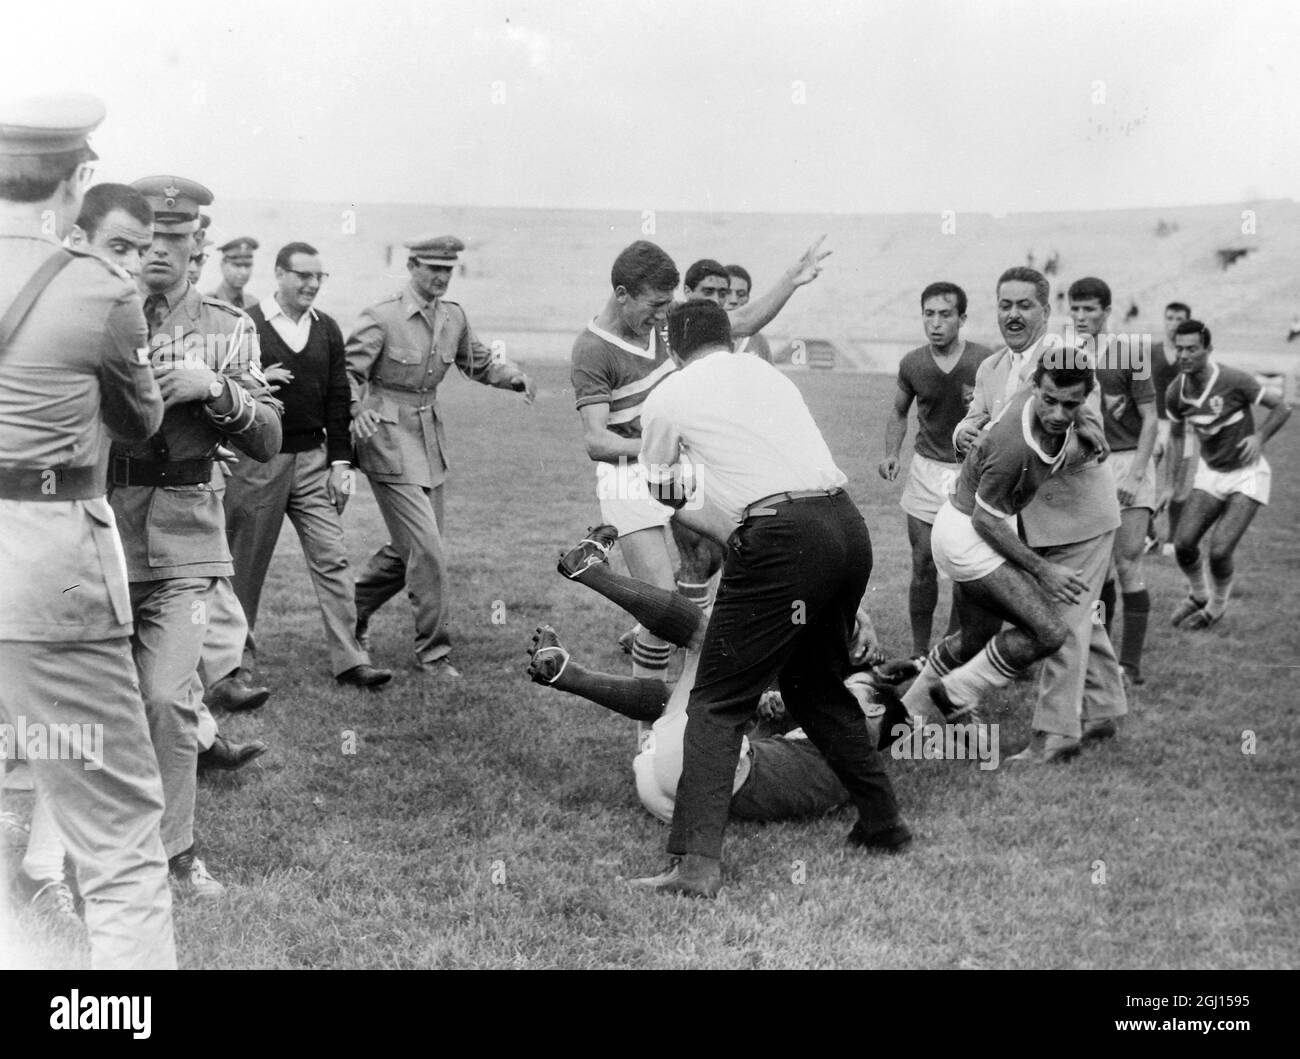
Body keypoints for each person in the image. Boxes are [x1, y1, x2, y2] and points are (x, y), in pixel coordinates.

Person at [628, 300, 909, 899]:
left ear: (672, 348)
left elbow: (657, 485)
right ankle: (883, 821)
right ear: (729, 338)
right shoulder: (767, 373)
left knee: (717, 702)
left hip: (782, 536)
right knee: (813, 686)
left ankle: (696, 866)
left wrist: (730, 529)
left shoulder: (670, 392)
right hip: (846, 525)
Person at [0, 93, 176, 968]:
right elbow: (139, 422)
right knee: (115, 828)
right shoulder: (102, 289)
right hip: (47, 567)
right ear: (77, 181)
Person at [111, 174, 281, 899]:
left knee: (168, 695)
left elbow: (270, 438)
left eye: (175, 237)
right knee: (94, 703)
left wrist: (214, 389)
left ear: (198, 244)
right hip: (99, 533)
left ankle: (177, 855)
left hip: (185, 540)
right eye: (147, 235)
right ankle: (85, 850)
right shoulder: (95, 313)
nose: (159, 250)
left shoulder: (225, 327)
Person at [572, 238, 829, 683]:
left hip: (678, 466)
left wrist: (792, 279)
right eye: (654, 305)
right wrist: (659, 444)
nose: (660, 315)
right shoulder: (592, 350)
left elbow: (744, 320)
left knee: (730, 554)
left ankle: (702, 691)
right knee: (661, 606)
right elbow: (597, 441)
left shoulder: (663, 323)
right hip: (629, 481)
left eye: (666, 305)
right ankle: (649, 728)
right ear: (621, 295)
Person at [948, 267, 1125, 764]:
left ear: (1046, 313)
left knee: (1060, 619)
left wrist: (1038, 454)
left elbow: (1093, 438)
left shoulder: (1067, 360)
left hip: (1078, 517)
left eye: (1025, 305)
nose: (1013, 314)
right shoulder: (990, 368)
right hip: (1024, 520)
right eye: (1005, 304)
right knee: (1081, 611)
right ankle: (1102, 709)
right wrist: (966, 431)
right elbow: (983, 419)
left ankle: (1055, 734)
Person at [347, 234, 535, 679]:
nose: (440, 278)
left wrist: (512, 377)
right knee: (427, 550)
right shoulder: (381, 317)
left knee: (409, 548)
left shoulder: (452, 317)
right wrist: (357, 410)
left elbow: (480, 362)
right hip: (386, 441)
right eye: (433, 268)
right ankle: (433, 654)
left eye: (447, 270)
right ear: (411, 265)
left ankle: (348, 609)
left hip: (428, 440)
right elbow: (348, 374)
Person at [227, 242, 391, 687]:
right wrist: (258, 378)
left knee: (332, 557)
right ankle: (235, 664)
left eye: (319, 277)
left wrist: (342, 464)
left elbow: (339, 399)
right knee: (246, 564)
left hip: (315, 462)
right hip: (259, 460)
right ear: (279, 274)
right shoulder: (246, 325)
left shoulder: (328, 329)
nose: (312, 284)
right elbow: (223, 388)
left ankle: (351, 659)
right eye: (303, 275)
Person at [926, 365, 1098, 720]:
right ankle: (957, 692)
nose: (1057, 414)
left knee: (974, 638)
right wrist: (1043, 570)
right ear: (1035, 388)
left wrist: (1087, 423)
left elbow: (1057, 388)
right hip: (969, 536)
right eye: (1050, 401)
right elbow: (984, 519)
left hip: (968, 526)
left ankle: (908, 709)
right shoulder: (1013, 446)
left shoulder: (1033, 392)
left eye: (1071, 405)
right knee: (1049, 631)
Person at [879, 281, 993, 654]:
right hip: (926, 471)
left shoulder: (984, 361)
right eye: (929, 314)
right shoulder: (913, 363)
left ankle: (952, 646)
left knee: (965, 566)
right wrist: (891, 452)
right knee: (923, 563)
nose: (936, 322)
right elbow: (899, 411)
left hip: (970, 473)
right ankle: (917, 652)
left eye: (945, 314)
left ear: (962, 318)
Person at [1164, 320, 1291, 628]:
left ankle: (1215, 607)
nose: (1184, 355)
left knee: (1220, 550)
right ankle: (1198, 594)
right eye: (1179, 348)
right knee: (1183, 544)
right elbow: (1177, 438)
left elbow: (1283, 407)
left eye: (1192, 348)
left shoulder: (1234, 380)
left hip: (1246, 474)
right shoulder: (1175, 393)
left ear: (1208, 350)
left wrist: (1259, 437)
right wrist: (1170, 485)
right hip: (1211, 473)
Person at [1068, 277, 1158, 687]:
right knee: (1096, 570)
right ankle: (1098, 659)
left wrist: (1137, 474)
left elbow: (1152, 418)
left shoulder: (1130, 351)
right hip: (1089, 465)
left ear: (1107, 311)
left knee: (1127, 562)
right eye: (1076, 309)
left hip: (1128, 463)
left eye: (1090, 309)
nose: (1082, 316)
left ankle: (1132, 665)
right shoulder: (1066, 354)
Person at [1150, 301, 1193, 551]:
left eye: (1179, 319)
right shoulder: (1150, 351)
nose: (1173, 323)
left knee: (1178, 486)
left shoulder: (1192, 354)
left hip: (1183, 425)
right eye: (1170, 318)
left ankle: (1173, 539)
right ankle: (1148, 534)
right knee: (1144, 480)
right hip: (1154, 423)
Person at [724, 264, 773, 362]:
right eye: (727, 292)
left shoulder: (759, 341)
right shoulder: (702, 337)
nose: (734, 300)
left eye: (741, 294)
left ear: (747, 298)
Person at [208, 235, 258, 309]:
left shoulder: (254, 304)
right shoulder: (208, 303)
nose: (243, 272)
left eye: (247, 265)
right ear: (223, 265)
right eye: (237, 265)